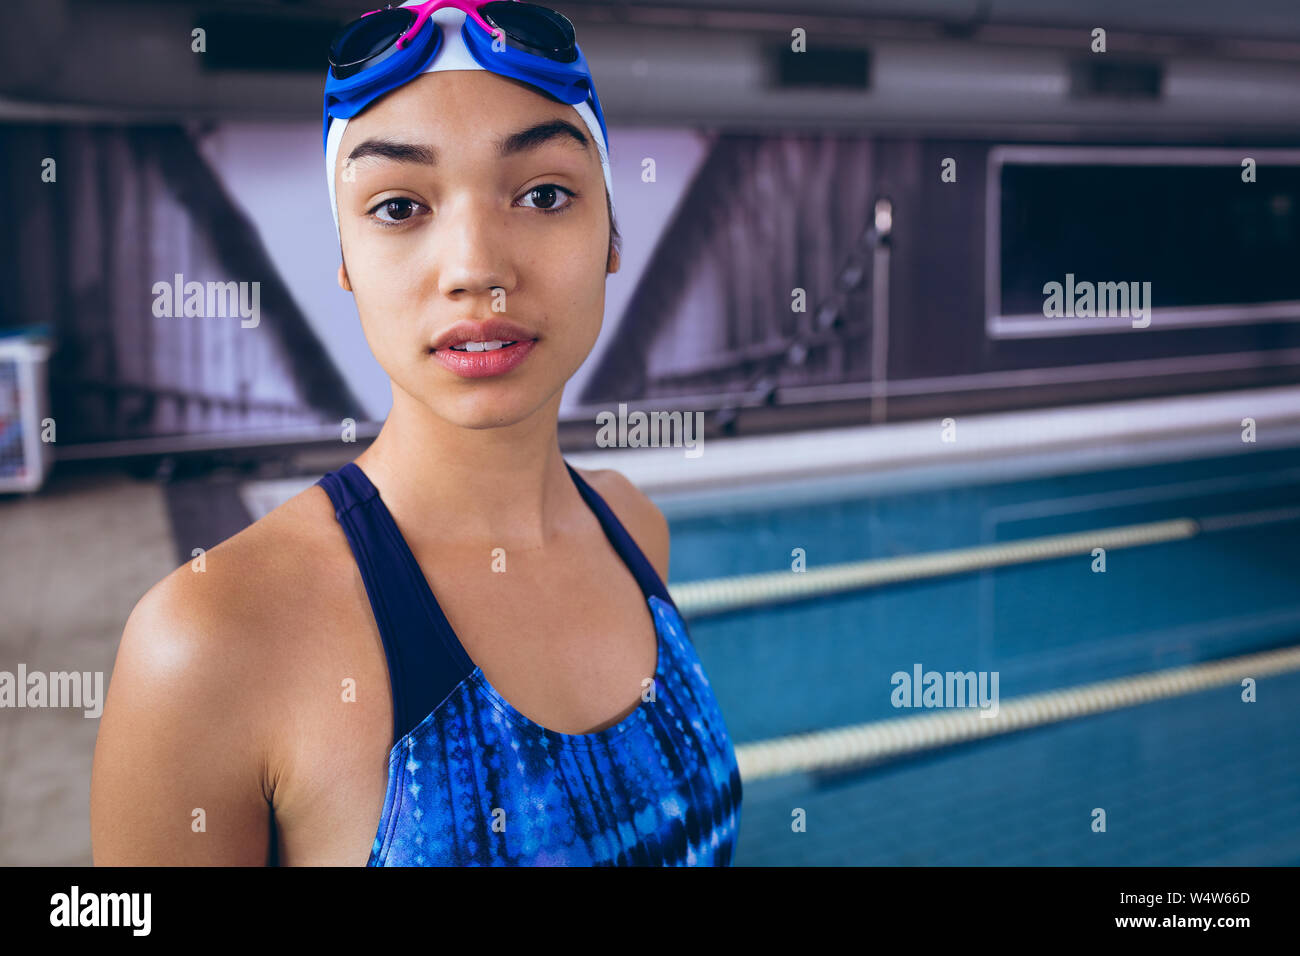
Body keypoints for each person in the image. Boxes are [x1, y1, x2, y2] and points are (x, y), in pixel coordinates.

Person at [91, 0, 742, 865]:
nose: (477, 269)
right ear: (346, 262)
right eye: (399, 206)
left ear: (613, 233)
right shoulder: (209, 642)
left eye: (545, 194)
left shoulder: (635, 529)